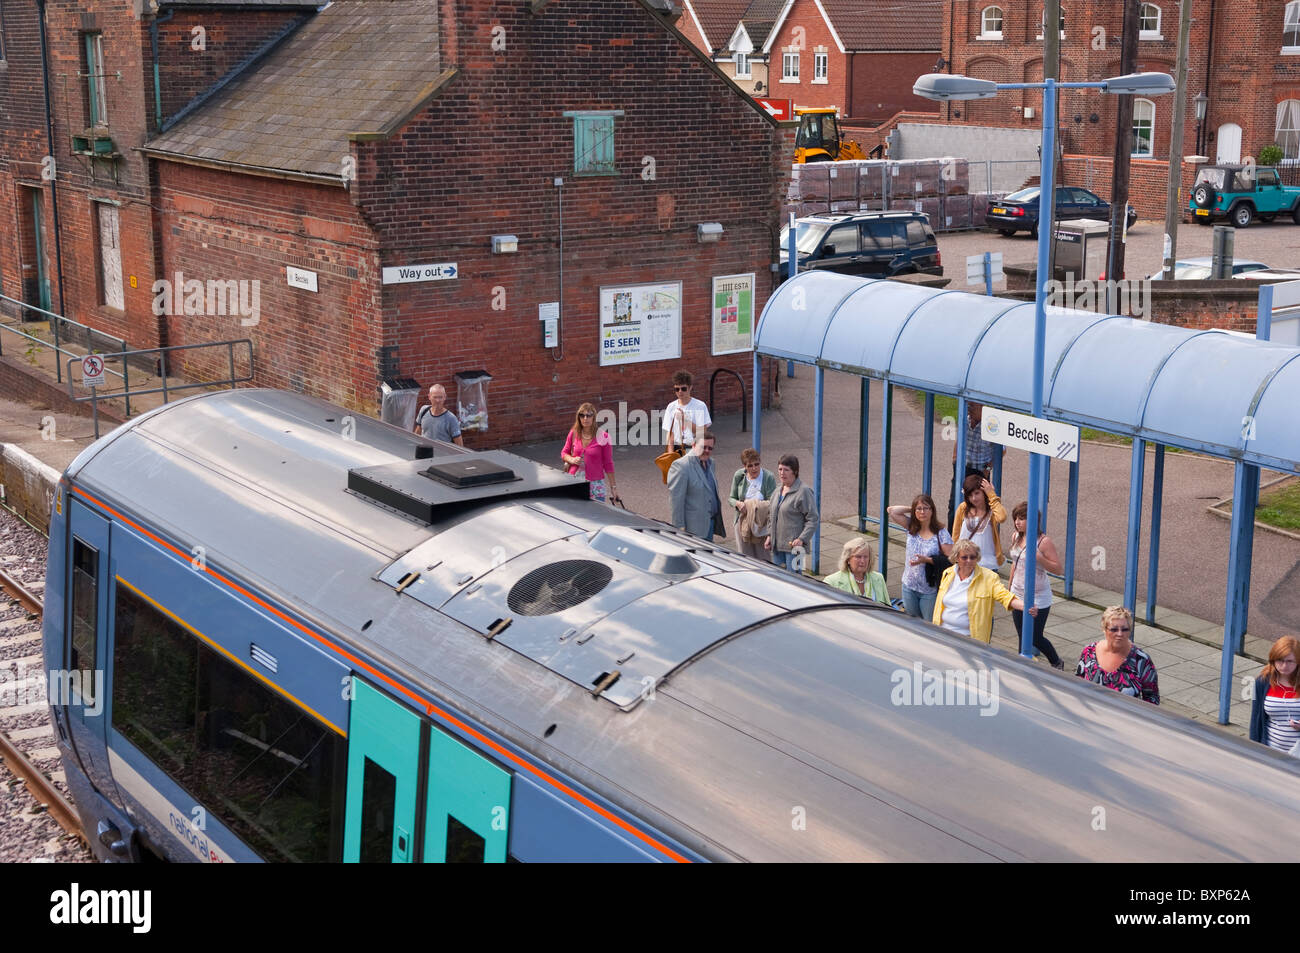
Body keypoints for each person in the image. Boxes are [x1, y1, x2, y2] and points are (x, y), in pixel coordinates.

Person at [932, 539, 1029, 642]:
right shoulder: (948, 573)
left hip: (969, 640)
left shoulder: (988, 577)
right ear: (956, 558)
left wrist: (1025, 606)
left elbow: (1004, 595)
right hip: (943, 634)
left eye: (972, 557)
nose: (969, 560)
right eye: (964, 557)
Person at [1007, 501, 1064, 669]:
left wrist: (1040, 558)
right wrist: (1010, 587)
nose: (1017, 522)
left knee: (1035, 636)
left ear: (1033, 520)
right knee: (1022, 634)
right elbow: (1014, 564)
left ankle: (1056, 661)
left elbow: (1058, 569)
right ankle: (1022, 664)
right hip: (1018, 591)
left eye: (1022, 518)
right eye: (1016, 518)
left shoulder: (1044, 542)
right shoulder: (1016, 536)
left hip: (1038, 594)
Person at [886, 493, 953, 620]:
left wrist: (927, 560)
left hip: (928, 590)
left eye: (926, 508)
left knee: (928, 626)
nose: (922, 512)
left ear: (932, 510)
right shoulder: (911, 526)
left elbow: (951, 559)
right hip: (909, 586)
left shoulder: (941, 533)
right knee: (912, 624)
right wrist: (912, 508)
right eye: (919, 509)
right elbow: (892, 511)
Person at [1075, 606, 1160, 705]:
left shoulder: (1141, 660)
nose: (1120, 634)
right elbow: (1078, 685)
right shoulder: (1089, 652)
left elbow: (1152, 700)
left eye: (1124, 629)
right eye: (1114, 629)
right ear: (1104, 629)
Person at [667, 430, 725, 541]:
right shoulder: (681, 466)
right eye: (703, 447)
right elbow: (676, 502)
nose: (707, 451)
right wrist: (679, 529)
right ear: (693, 445)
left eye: (710, 448)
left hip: (709, 524)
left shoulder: (711, 463)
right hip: (693, 530)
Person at [948, 401, 998, 526]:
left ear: (982, 406)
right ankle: (952, 540)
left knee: (977, 506)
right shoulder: (964, 418)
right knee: (954, 505)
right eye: (968, 405)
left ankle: (974, 539)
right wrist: (955, 459)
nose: (968, 408)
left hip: (979, 472)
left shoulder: (991, 424)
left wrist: (987, 468)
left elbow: (1001, 451)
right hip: (962, 468)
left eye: (972, 406)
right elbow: (959, 438)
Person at [765, 454, 818, 572]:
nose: (782, 473)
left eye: (786, 470)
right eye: (780, 469)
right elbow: (771, 515)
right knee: (779, 581)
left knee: (796, 582)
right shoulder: (777, 490)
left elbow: (813, 519)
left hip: (795, 548)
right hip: (777, 547)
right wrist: (769, 535)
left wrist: (802, 539)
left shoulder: (804, 492)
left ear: (795, 471)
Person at [560, 402, 620, 505]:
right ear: (578, 417)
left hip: (595, 485)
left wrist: (613, 488)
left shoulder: (604, 437)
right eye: (582, 415)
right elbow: (564, 453)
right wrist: (572, 459)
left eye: (589, 415)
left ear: (594, 417)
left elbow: (608, 464)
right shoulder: (574, 433)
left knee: (596, 517)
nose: (585, 418)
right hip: (574, 482)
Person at [1249, 636, 1300, 752]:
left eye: (1290, 661)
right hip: (1271, 750)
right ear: (1273, 659)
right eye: (1280, 660)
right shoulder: (1262, 682)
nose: (1284, 666)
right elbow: (1256, 719)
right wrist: (1253, 749)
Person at [729, 448, 776, 559]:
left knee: (763, 556)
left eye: (757, 464)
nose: (754, 468)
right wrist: (738, 504)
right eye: (750, 465)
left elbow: (773, 502)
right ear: (744, 466)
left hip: (761, 521)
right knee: (745, 556)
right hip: (742, 520)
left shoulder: (768, 477)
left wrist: (754, 506)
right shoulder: (739, 475)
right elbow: (731, 498)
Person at [952, 475, 1006, 572]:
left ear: (984, 492)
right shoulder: (962, 508)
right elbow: (955, 535)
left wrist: (992, 495)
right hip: (965, 562)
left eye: (977, 493)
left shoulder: (992, 508)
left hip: (987, 564)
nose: (974, 498)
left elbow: (1002, 517)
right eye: (970, 495)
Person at [823, 538, 889, 604]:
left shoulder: (879, 578)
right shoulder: (831, 582)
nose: (862, 561)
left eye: (865, 557)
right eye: (858, 557)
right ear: (848, 559)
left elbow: (888, 609)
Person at [662, 370, 712, 455]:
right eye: (677, 389)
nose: (680, 391)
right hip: (676, 448)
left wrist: (685, 419)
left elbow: (702, 432)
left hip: (693, 447)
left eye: (683, 388)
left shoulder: (699, 406)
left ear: (690, 388)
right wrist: (670, 454)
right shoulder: (671, 407)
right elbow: (670, 434)